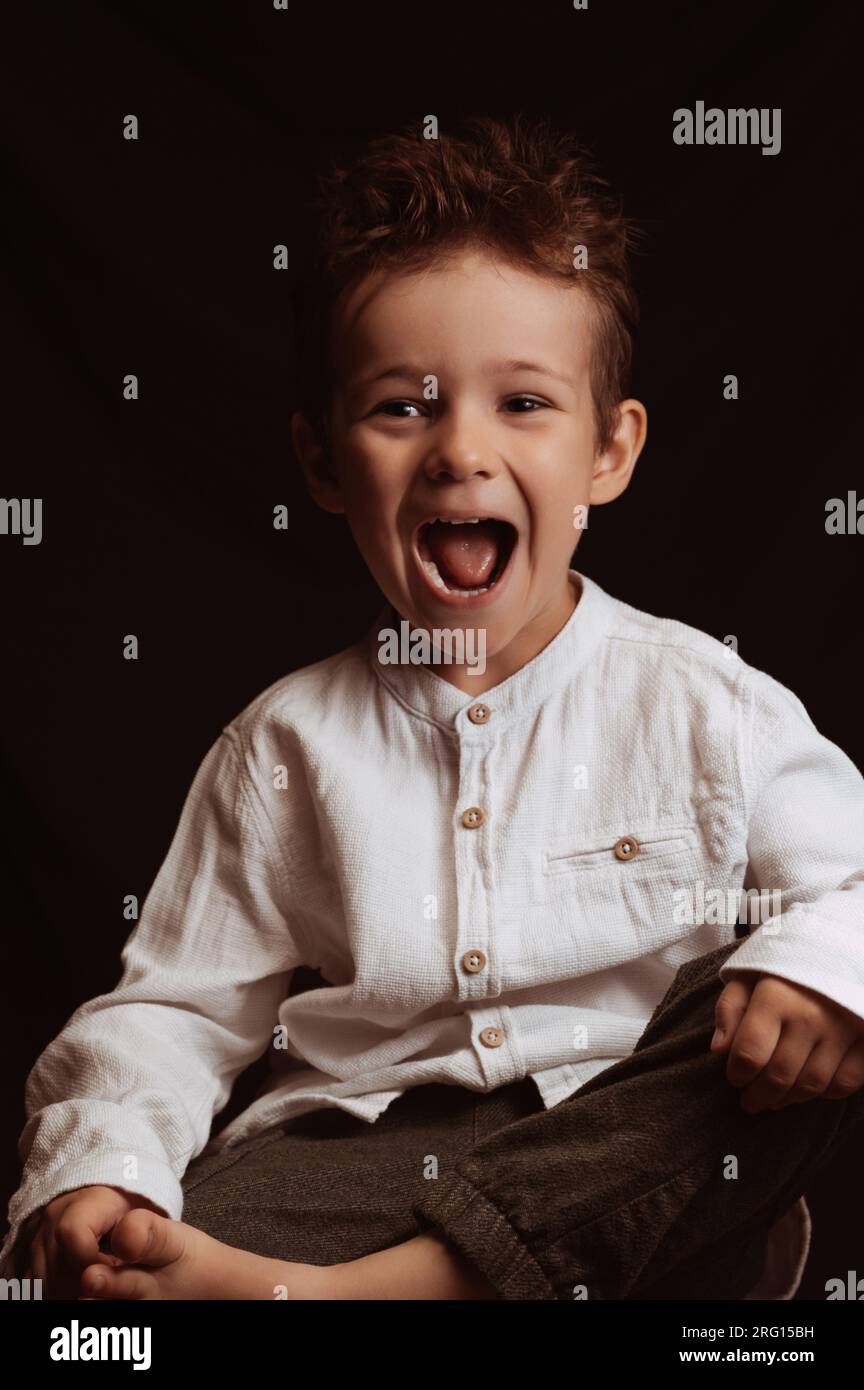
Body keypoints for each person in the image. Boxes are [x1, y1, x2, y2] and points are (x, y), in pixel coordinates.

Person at [4, 115, 864, 1301]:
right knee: (130, 1277)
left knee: (780, 1031)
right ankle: (296, 1274)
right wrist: (102, 1173)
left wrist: (821, 974)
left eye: (523, 403)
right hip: (358, 1161)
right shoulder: (284, 748)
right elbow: (174, 1011)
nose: (460, 449)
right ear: (321, 463)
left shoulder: (707, 707)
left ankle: (377, 1298)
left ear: (610, 452)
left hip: (619, 1163)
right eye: (403, 407)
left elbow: (858, 885)